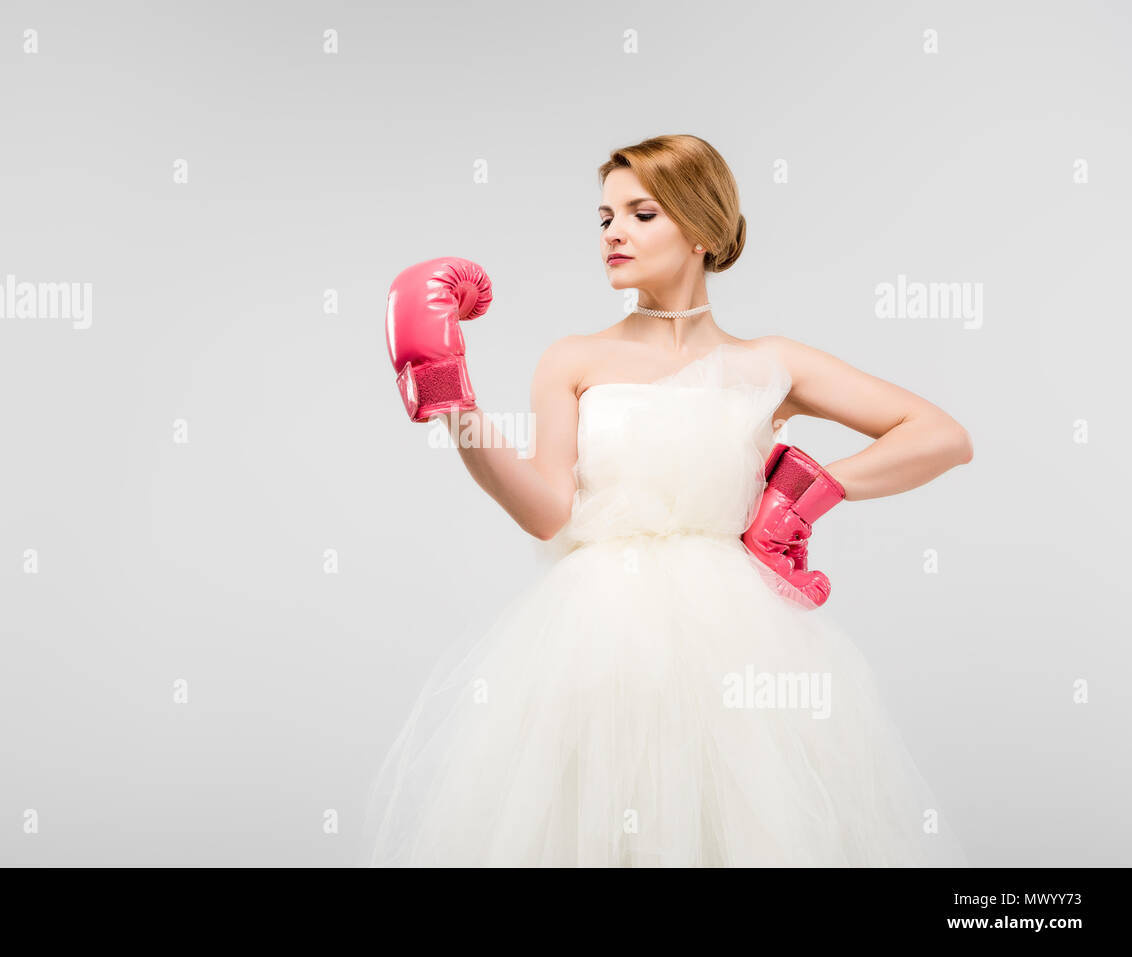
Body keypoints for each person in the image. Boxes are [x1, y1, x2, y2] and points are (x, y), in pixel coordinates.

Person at [368, 134, 973, 866]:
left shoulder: (771, 362)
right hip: (594, 638)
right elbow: (546, 511)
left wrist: (813, 493)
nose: (613, 232)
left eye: (641, 212)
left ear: (703, 230)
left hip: (742, 636)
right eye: (603, 217)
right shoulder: (573, 358)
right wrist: (451, 399)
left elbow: (940, 434)